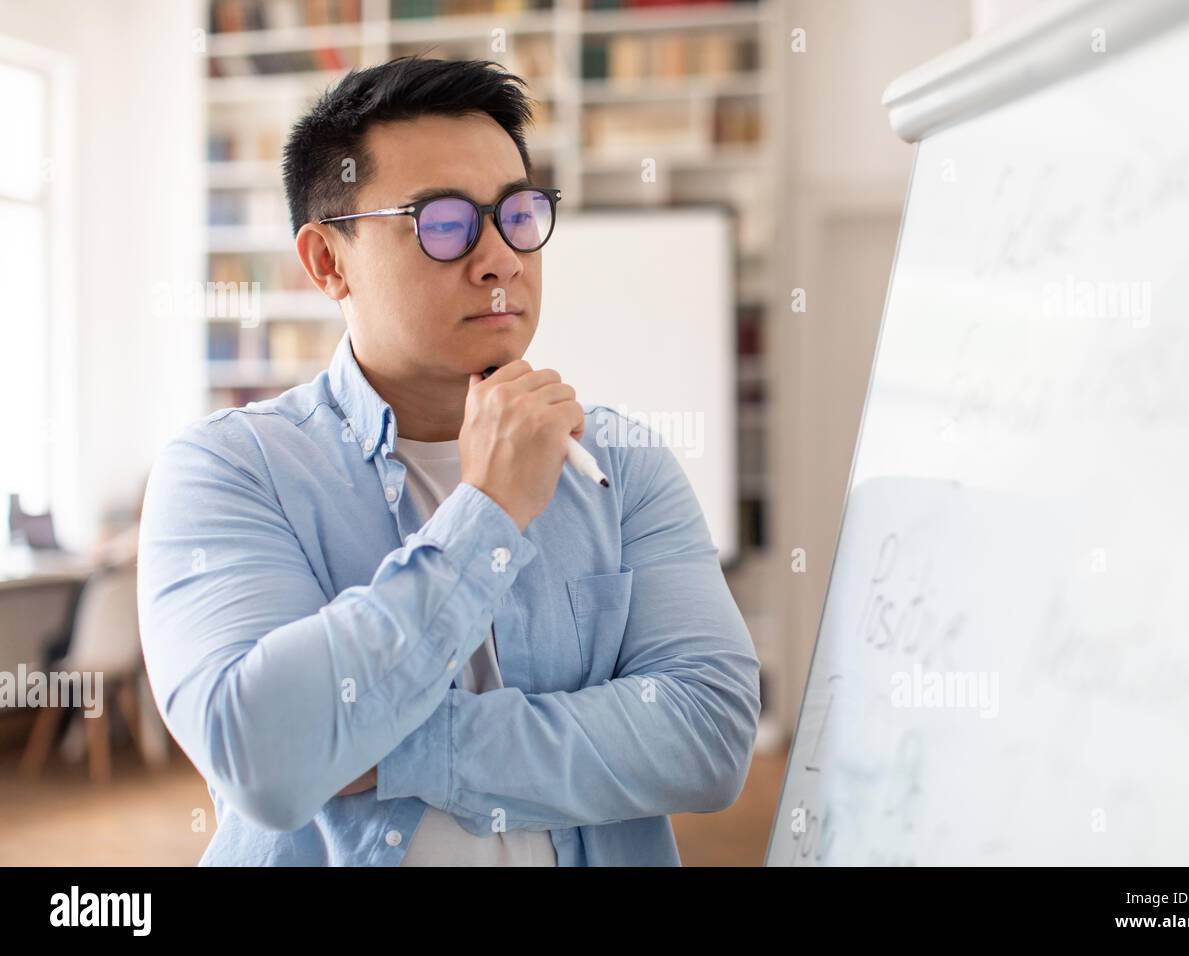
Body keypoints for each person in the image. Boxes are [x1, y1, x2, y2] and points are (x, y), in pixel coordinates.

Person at [136, 56, 761, 866]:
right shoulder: (228, 470)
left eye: (518, 213)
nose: (500, 256)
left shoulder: (623, 463)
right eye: (444, 222)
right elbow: (267, 759)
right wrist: (489, 511)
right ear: (328, 262)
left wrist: (391, 750)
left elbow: (708, 737)